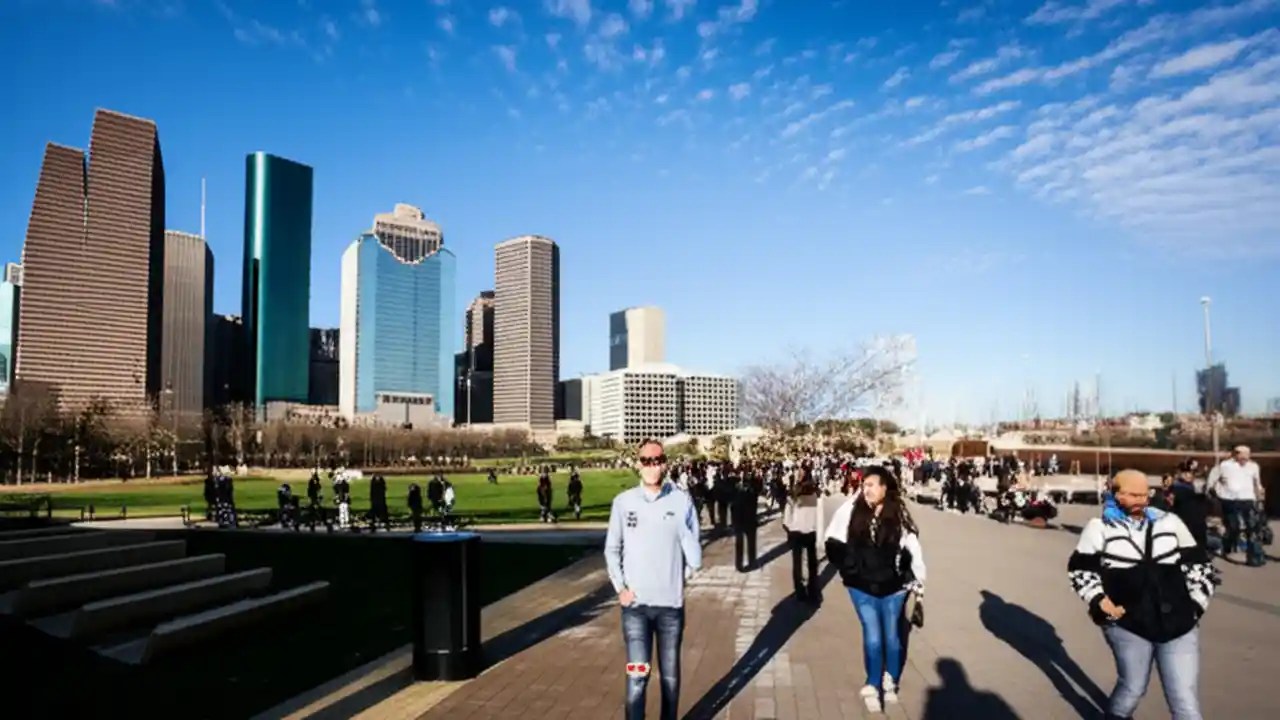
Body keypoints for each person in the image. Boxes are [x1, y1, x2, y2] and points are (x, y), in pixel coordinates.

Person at [1068, 469, 1215, 720]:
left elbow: (1199, 567)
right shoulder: (1099, 527)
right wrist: (1099, 600)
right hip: (1127, 624)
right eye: (1131, 494)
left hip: (1179, 624)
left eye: (1143, 494)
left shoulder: (1170, 522)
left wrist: (1194, 607)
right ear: (1115, 494)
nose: (1139, 500)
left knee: (1185, 701)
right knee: (1133, 688)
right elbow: (1080, 569)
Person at [604, 439, 702, 720]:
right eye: (646, 460)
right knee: (637, 676)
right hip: (635, 608)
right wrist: (620, 588)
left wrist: (680, 578)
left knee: (670, 679)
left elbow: (695, 555)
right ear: (638, 464)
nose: (652, 466)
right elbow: (612, 549)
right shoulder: (623, 503)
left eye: (657, 460)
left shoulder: (682, 500)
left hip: (670, 607)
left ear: (665, 463)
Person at [824, 466, 926, 714]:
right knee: (873, 634)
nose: (865, 489)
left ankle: (890, 679)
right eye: (864, 484)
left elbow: (913, 545)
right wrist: (849, 567)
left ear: (884, 487)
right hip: (861, 586)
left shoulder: (898, 513)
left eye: (871, 484)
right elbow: (832, 542)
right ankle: (872, 683)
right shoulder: (851, 509)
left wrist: (918, 578)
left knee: (891, 635)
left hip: (894, 586)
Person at [1208, 446, 1265, 566]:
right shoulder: (1225, 466)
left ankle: (1255, 556)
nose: (1245, 458)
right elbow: (1212, 481)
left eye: (1247, 455)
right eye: (1242, 455)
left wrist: (1260, 499)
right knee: (1233, 527)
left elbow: (1257, 483)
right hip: (1229, 500)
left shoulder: (1253, 466)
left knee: (1252, 528)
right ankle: (1227, 547)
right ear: (1235, 455)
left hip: (1248, 499)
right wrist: (1214, 495)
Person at [783, 474, 821, 602]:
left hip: (796, 532)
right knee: (812, 563)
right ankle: (813, 590)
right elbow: (819, 516)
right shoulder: (815, 497)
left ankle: (799, 591)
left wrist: (790, 528)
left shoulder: (792, 497)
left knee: (797, 563)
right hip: (811, 532)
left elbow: (786, 519)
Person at [731, 472, 759, 572]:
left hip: (742, 520)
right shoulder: (751, 491)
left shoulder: (738, 491)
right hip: (748, 519)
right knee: (748, 543)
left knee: (741, 543)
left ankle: (742, 564)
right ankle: (749, 562)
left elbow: (733, 507)